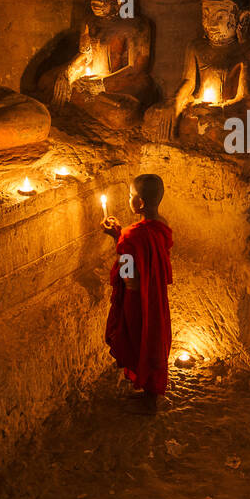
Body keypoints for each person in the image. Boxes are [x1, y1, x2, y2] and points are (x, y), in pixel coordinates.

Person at [101, 174, 174, 413]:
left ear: (139, 203)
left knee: (139, 339)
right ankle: (149, 392)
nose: (128, 198)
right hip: (156, 297)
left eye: (130, 195)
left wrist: (119, 241)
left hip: (138, 299)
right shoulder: (161, 224)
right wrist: (120, 235)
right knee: (153, 339)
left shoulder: (133, 235)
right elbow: (145, 252)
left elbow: (130, 272)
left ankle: (151, 400)